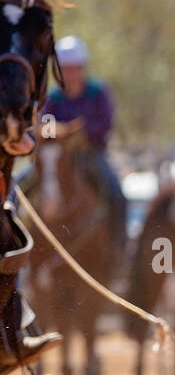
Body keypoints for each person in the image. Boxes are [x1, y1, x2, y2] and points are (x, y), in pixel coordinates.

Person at [40, 36, 128, 261]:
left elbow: (106, 124)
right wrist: (63, 131)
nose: (70, 74)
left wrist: (80, 133)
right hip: (56, 156)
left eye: (73, 68)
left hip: (92, 155)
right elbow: (44, 125)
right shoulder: (52, 97)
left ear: (82, 68)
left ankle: (118, 251)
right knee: (19, 188)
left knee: (117, 194)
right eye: (65, 69)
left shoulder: (98, 92)